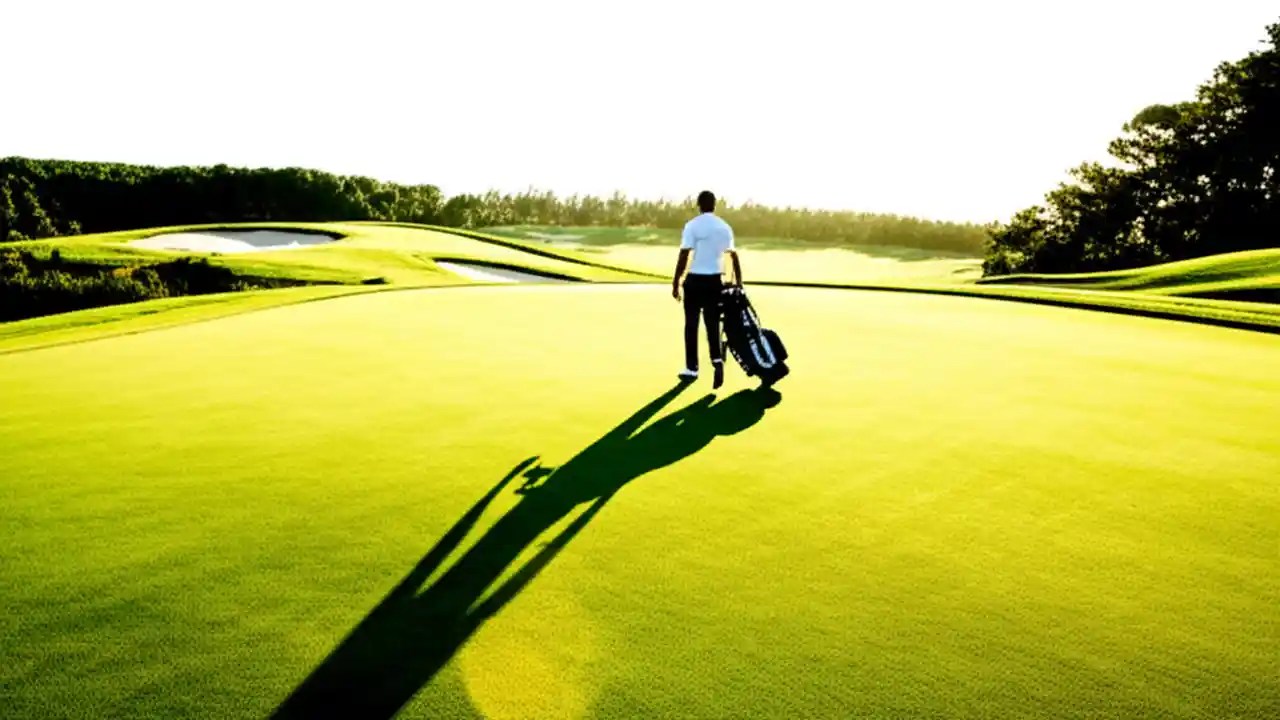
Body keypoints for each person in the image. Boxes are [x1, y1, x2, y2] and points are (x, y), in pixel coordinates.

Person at [672, 190, 742, 389]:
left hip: (694, 281)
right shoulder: (724, 227)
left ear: (699, 205)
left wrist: (676, 282)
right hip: (715, 282)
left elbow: (684, 254)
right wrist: (739, 282)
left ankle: (691, 368)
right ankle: (716, 360)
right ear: (714, 205)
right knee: (713, 325)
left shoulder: (692, 225)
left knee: (691, 325)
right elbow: (733, 256)